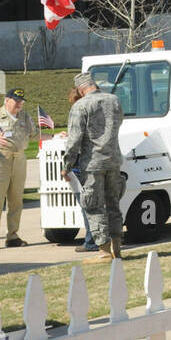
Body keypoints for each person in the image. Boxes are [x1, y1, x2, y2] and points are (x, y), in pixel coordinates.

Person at [61, 73, 124, 262]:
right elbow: (119, 123)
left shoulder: (80, 106)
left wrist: (66, 165)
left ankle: (104, 250)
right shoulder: (114, 100)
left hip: (92, 164)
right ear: (94, 84)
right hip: (113, 161)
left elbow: (74, 139)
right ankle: (117, 248)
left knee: (93, 206)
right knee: (114, 205)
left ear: (81, 89)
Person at [0, 88, 38, 250]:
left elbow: (35, 134)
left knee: (16, 199)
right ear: (7, 100)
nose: (19, 104)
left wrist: (55, 136)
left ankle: (12, 236)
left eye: (21, 102)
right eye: (16, 101)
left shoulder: (24, 116)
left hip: (18, 159)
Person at [64, 85, 97, 253]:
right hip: (95, 164)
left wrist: (66, 167)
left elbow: (75, 143)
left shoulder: (79, 112)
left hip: (80, 168)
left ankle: (91, 241)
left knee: (86, 207)